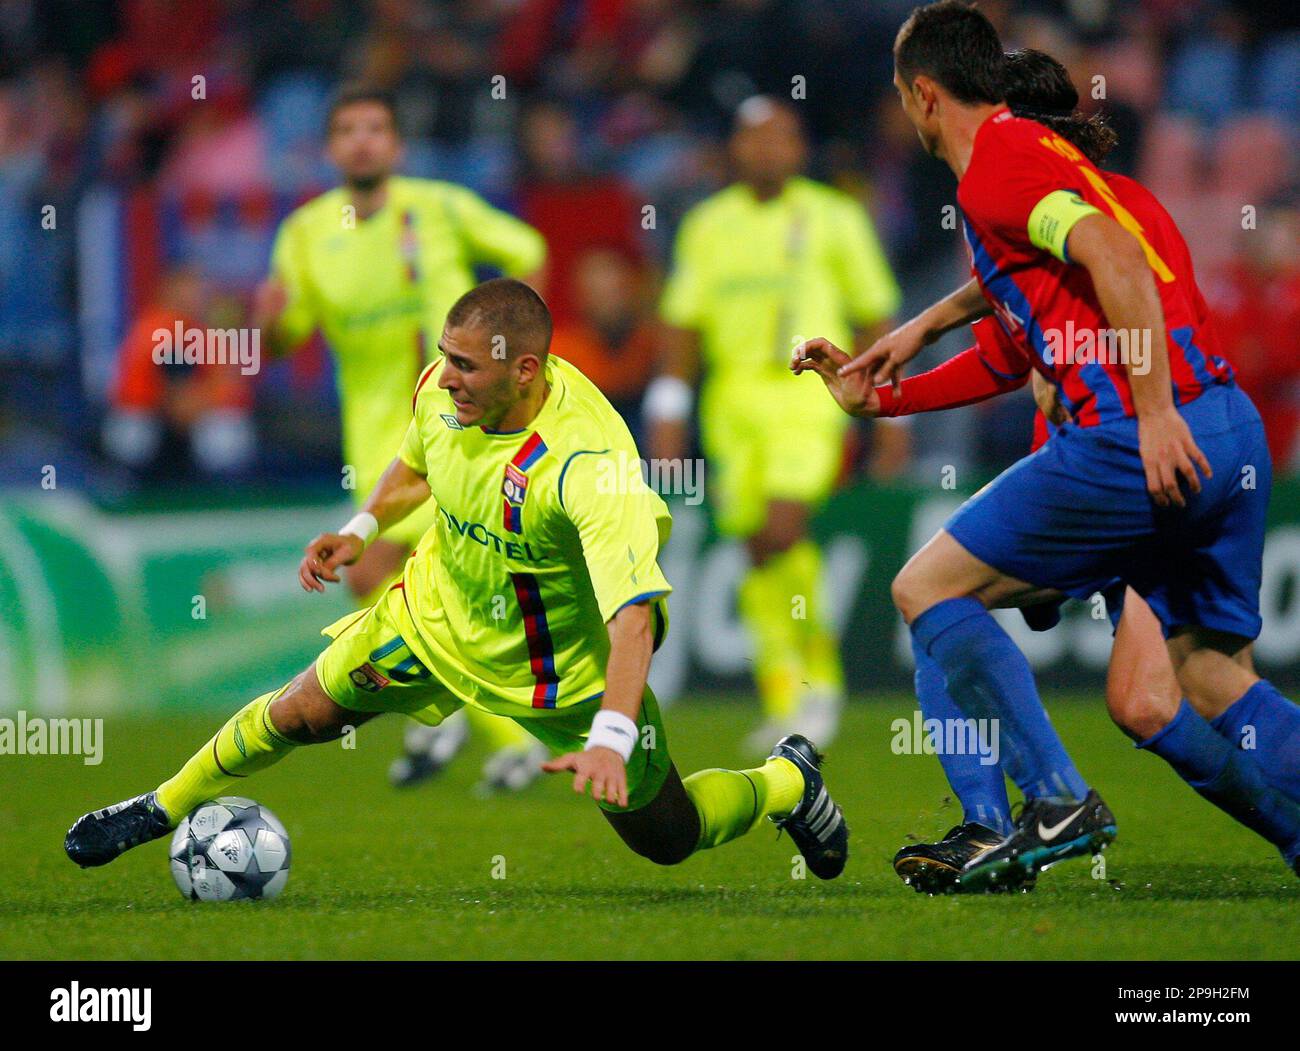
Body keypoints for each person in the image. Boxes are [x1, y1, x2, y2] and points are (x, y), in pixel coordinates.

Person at [64, 279, 850, 885]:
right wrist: (363, 527)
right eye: (446, 356)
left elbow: (634, 616)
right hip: (434, 615)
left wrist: (611, 734)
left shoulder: (592, 469)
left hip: (559, 677)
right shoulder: (447, 392)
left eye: (466, 366)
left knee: (670, 839)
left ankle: (787, 780)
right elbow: (415, 465)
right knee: (301, 710)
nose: (446, 379)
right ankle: (158, 806)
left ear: (527, 370)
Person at [803, 3, 1300, 891]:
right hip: (1226, 431)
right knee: (1198, 683)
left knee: (926, 590)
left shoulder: (998, 173)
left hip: (1136, 445)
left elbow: (1114, 262)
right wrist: (895, 383)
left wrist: (1148, 410)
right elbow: (1013, 339)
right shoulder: (1075, 183)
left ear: (923, 96)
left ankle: (1039, 805)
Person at [250, 84, 549, 794]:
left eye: (375, 127)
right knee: (407, 583)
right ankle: (479, 727)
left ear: (396, 144)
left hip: (453, 416)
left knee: (379, 572)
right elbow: (284, 334)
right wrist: (263, 322)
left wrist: (511, 354)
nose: (361, 140)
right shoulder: (306, 232)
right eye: (347, 129)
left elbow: (527, 250)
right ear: (329, 149)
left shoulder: (438, 206)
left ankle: (459, 720)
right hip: (373, 432)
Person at [650, 94, 903, 752]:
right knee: (755, 546)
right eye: (755, 138)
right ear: (735, 148)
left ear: (798, 148)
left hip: (809, 394)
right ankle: (786, 695)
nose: (768, 149)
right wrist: (669, 411)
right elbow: (683, 323)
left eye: (783, 137)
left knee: (783, 528)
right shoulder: (707, 223)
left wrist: (893, 409)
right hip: (732, 401)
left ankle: (820, 687)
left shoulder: (835, 215)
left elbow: (875, 311)